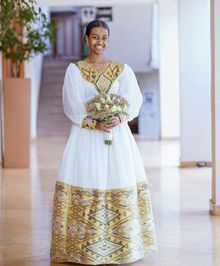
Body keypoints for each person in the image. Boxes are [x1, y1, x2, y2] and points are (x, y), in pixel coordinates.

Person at [50, 19, 157, 265]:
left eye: (104, 37)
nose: (100, 42)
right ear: (86, 39)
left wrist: (119, 116)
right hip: (86, 137)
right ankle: (83, 248)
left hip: (117, 137)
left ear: (108, 40)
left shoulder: (122, 69)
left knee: (119, 177)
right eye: (95, 37)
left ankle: (123, 247)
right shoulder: (74, 70)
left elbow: (133, 99)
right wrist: (94, 123)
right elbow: (72, 105)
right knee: (88, 177)